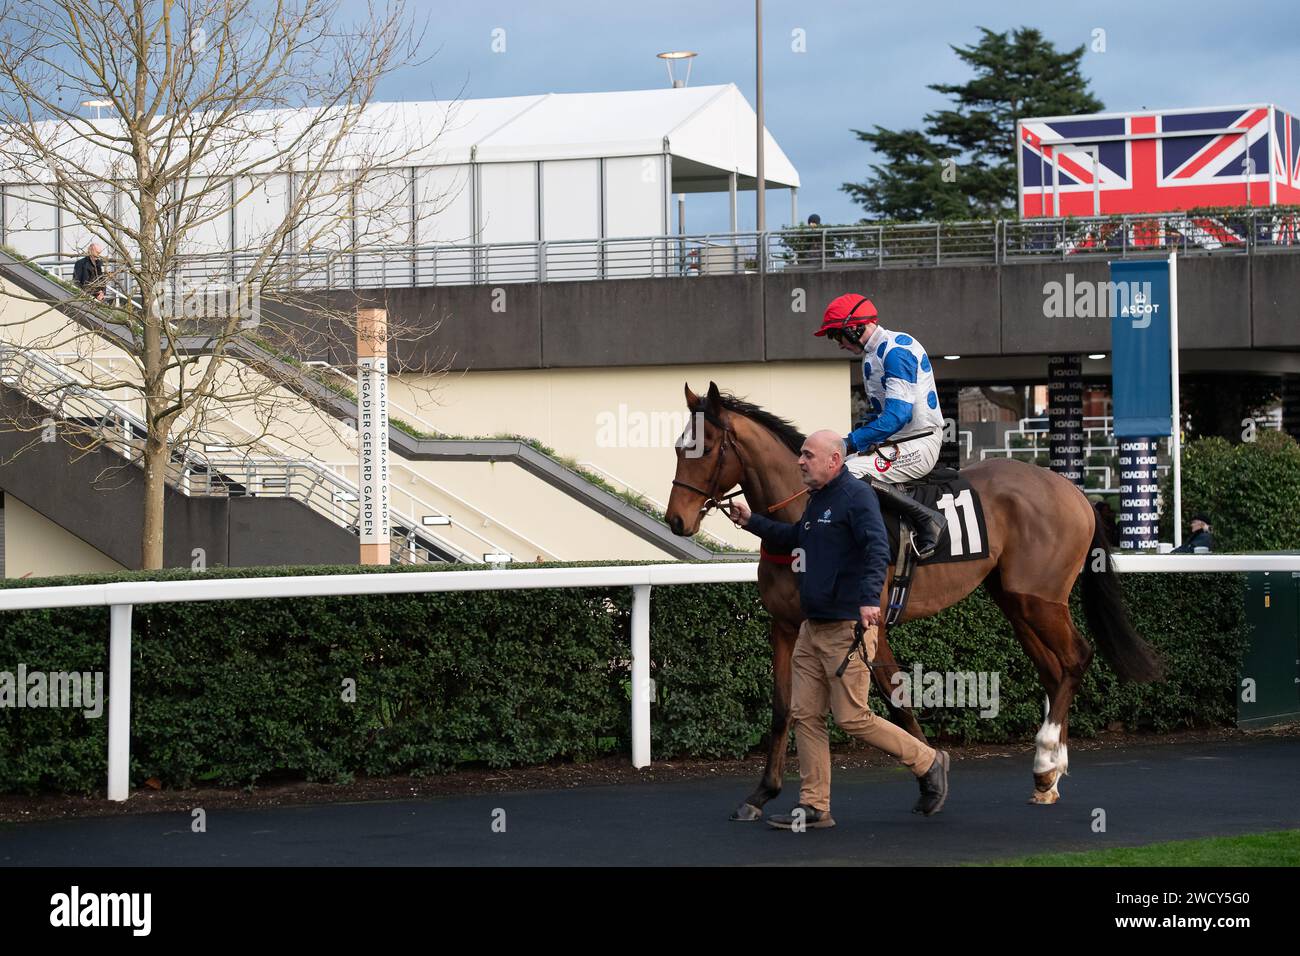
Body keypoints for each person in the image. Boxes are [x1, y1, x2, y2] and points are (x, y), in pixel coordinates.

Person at [726, 429, 950, 828]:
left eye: (808, 455)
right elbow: (796, 537)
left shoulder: (856, 496)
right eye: (801, 455)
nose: (800, 461)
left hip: (846, 626)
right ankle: (816, 806)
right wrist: (751, 522)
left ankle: (929, 760)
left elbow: (877, 547)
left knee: (851, 718)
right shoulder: (818, 501)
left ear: (834, 461)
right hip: (813, 629)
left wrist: (868, 600)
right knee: (806, 714)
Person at [815, 293, 947, 558]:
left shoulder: (895, 351)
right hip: (899, 441)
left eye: (836, 335)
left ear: (854, 328)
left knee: (848, 472)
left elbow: (898, 416)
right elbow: (883, 419)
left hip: (920, 443)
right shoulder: (871, 356)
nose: (837, 343)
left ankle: (928, 520)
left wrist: (848, 442)